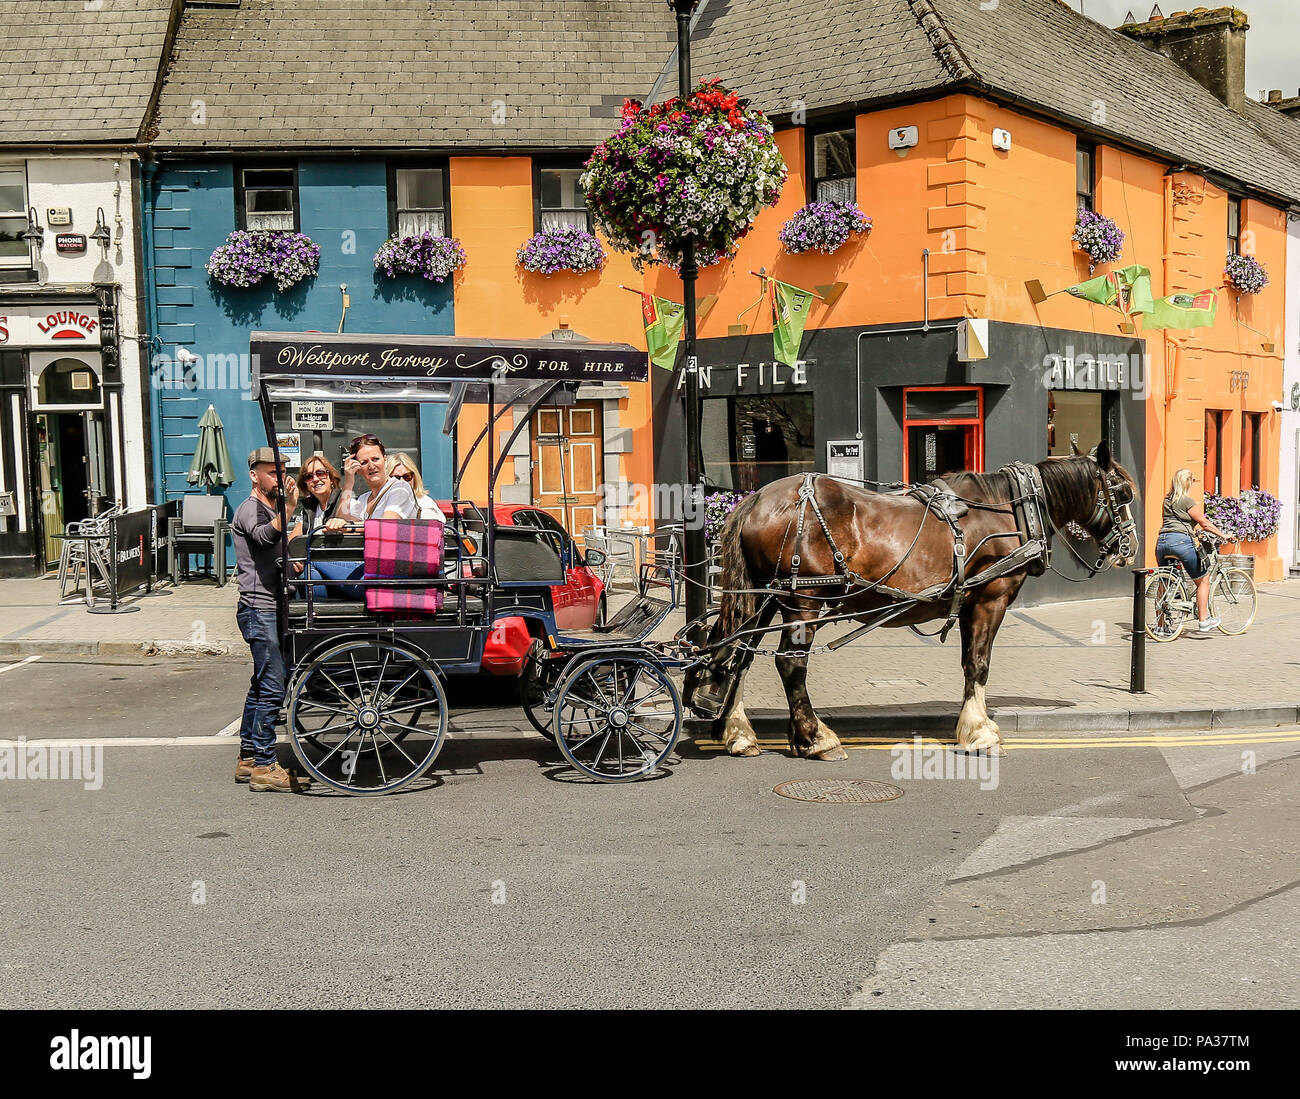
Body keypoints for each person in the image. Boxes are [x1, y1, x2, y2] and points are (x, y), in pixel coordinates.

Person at [230, 448, 311, 792]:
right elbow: (264, 537)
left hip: (267, 606)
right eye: (272, 472)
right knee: (273, 685)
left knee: (261, 683)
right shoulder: (251, 509)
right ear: (254, 475)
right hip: (257, 607)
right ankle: (264, 765)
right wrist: (288, 510)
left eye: (282, 470)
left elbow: (273, 552)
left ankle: (248, 757)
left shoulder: (266, 508)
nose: (280, 477)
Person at [314, 433, 418, 598]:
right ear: (358, 468)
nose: (371, 466)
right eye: (364, 462)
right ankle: (320, 614)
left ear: (384, 459)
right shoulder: (364, 498)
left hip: (393, 573)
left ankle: (317, 614)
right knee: (310, 573)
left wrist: (347, 528)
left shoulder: (399, 488)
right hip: (371, 569)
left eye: (375, 459)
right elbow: (344, 515)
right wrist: (348, 480)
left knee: (312, 558)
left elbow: (386, 524)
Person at [1154, 468, 1232, 633]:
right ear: (1187, 483)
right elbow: (1205, 523)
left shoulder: (1166, 500)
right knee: (1203, 580)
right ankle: (1203, 620)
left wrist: (1192, 530)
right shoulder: (1187, 501)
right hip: (1181, 543)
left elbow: (1176, 521)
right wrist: (1223, 535)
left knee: (1164, 582)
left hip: (1162, 542)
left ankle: (1160, 626)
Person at [390, 452, 445, 526]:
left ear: (414, 477)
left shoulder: (425, 506)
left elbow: (426, 534)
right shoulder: (378, 501)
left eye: (407, 476)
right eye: (396, 478)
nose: (402, 482)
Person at [296, 452, 342, 532]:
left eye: (320, 473)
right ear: (305, 484)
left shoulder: (345, 503)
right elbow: (291, 541)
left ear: (331, 478)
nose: (315, 479)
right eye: (309, 476)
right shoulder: (308, 509)